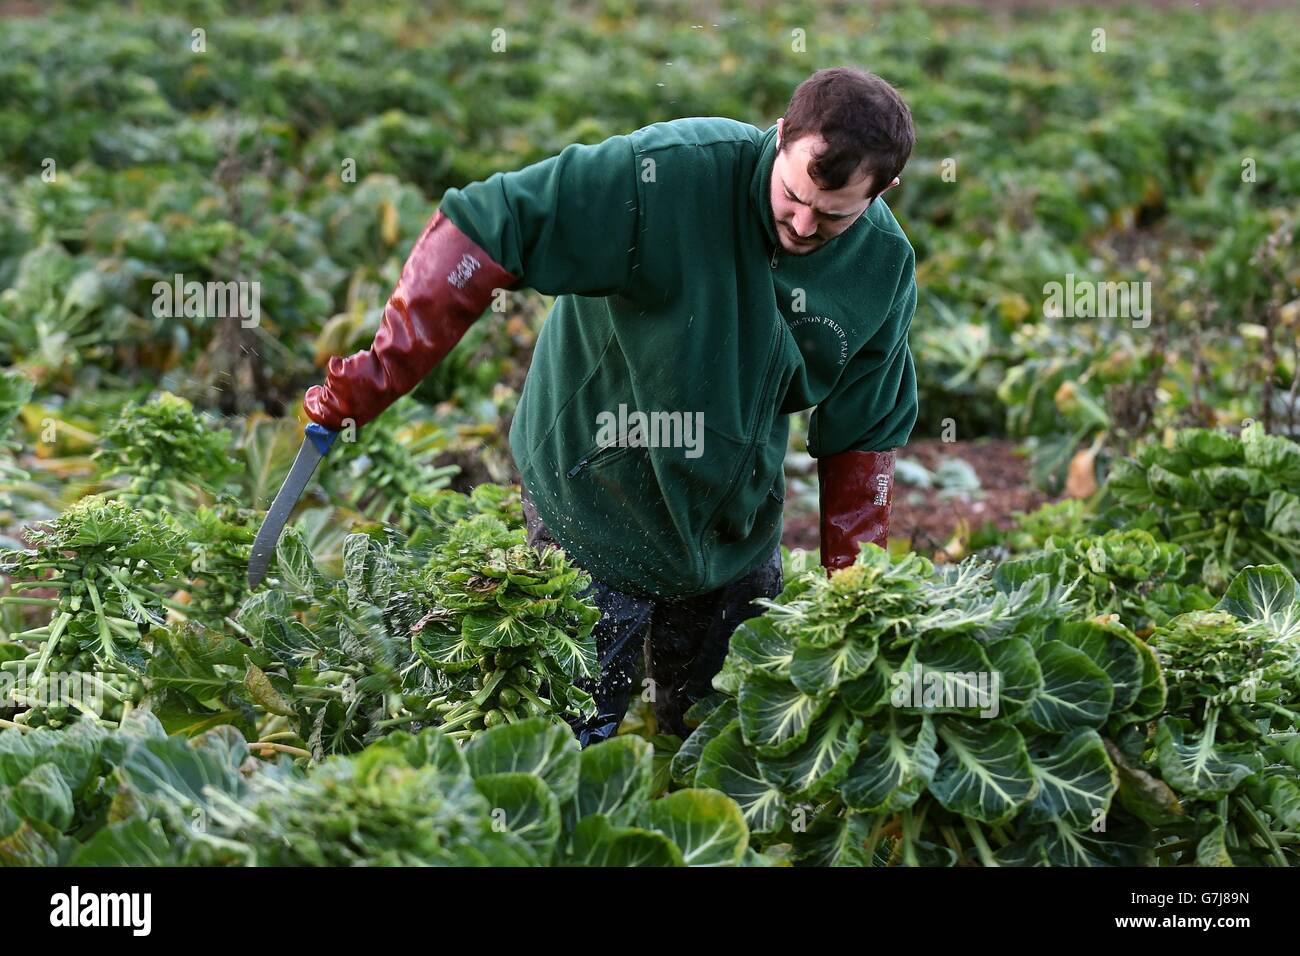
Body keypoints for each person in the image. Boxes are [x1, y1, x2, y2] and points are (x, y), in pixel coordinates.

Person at [303, 66, 919, 745]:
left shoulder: (880, 267)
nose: (803, 225)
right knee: (575, 730)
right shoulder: (668, 176)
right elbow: (494, 221)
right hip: (595, 490)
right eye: (793, 196)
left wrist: (851, 601)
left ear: (883, 191)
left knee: (715, 736)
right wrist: (376, 375)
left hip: (731, 524)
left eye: (833, 215)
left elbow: (863, 435)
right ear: (780, 138)